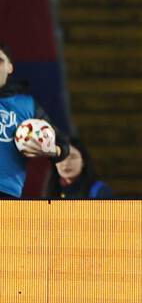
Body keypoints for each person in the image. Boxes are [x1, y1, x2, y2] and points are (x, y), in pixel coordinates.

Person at [0, 40, 68, 199]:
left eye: (0, 61)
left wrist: (51, 149)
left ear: (10, 67)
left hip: (6, 195)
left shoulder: (27, 105)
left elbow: (62, 143)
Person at [45, 138, 110, 198]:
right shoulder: (52, 188)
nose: (66, 163)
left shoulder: (98, 190)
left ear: (83, 161)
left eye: (73, 157)